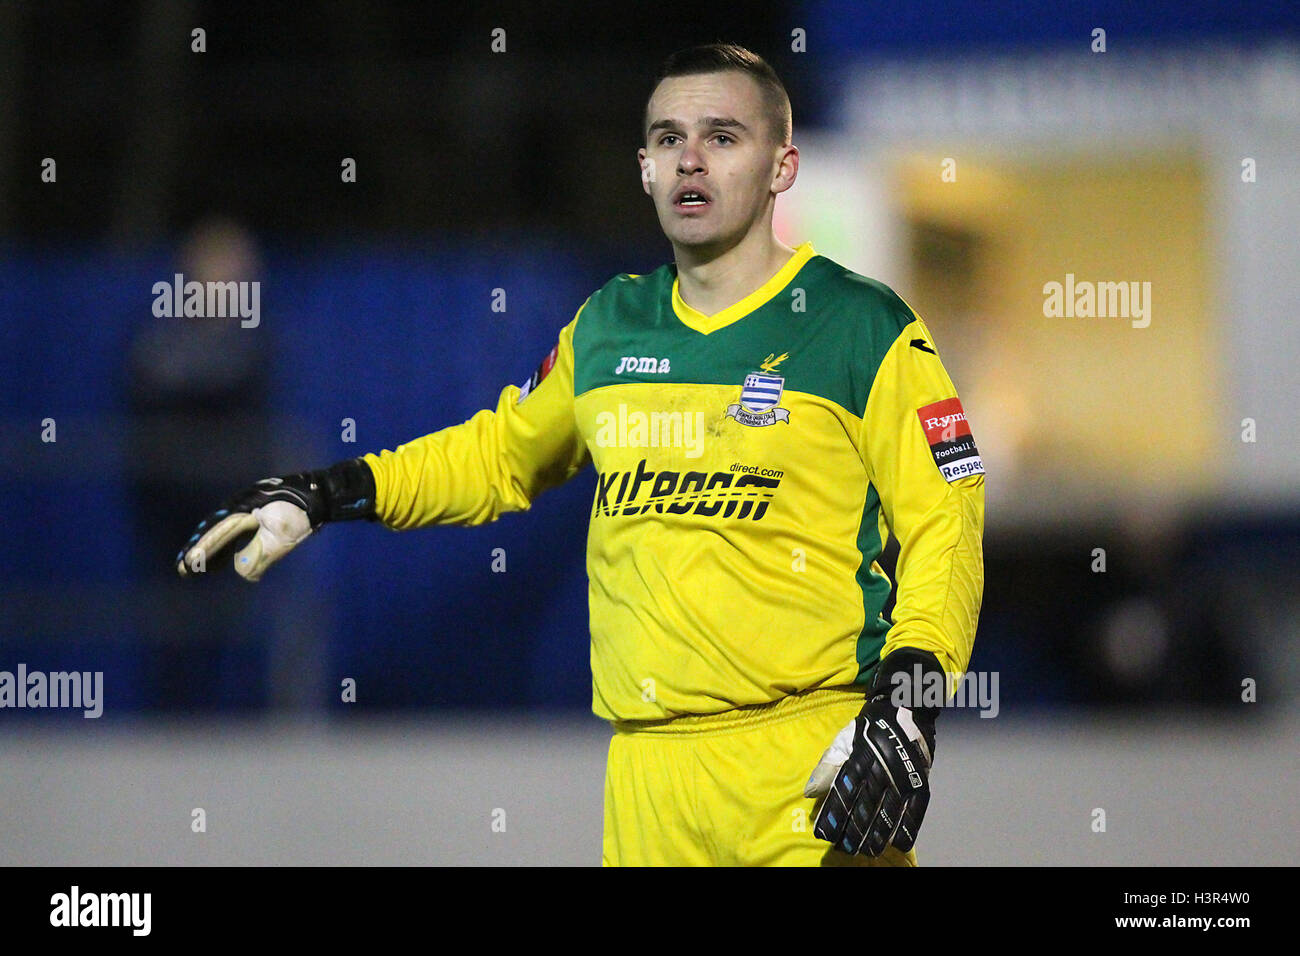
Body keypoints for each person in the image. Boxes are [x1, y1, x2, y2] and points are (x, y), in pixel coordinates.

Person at [177, 43, 985, 866]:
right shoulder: (608, 325)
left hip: (809, 770)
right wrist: (329, 491)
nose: (691, 160)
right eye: (668, 139)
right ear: (643, 167)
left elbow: (948, 523)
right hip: (645, 786)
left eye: (723, 137)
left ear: (784, 166)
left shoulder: (860, 325)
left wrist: (911, 701)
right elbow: (497, 457)